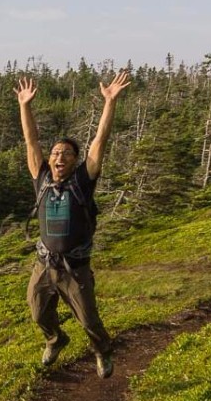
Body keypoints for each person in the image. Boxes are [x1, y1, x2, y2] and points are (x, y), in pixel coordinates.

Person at [14, 70, 131, 378]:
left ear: (75, 160)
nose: (59, 156)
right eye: (55, 152)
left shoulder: (82, 181)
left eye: (66, 153)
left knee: (89, 320)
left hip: (75, 268)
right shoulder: (41, 179)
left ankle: (102, 351)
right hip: (44, 265)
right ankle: (56, 340)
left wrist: (110, 102)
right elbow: (31, 140)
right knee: (38, 313)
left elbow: (100, 141)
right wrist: (25, 105)